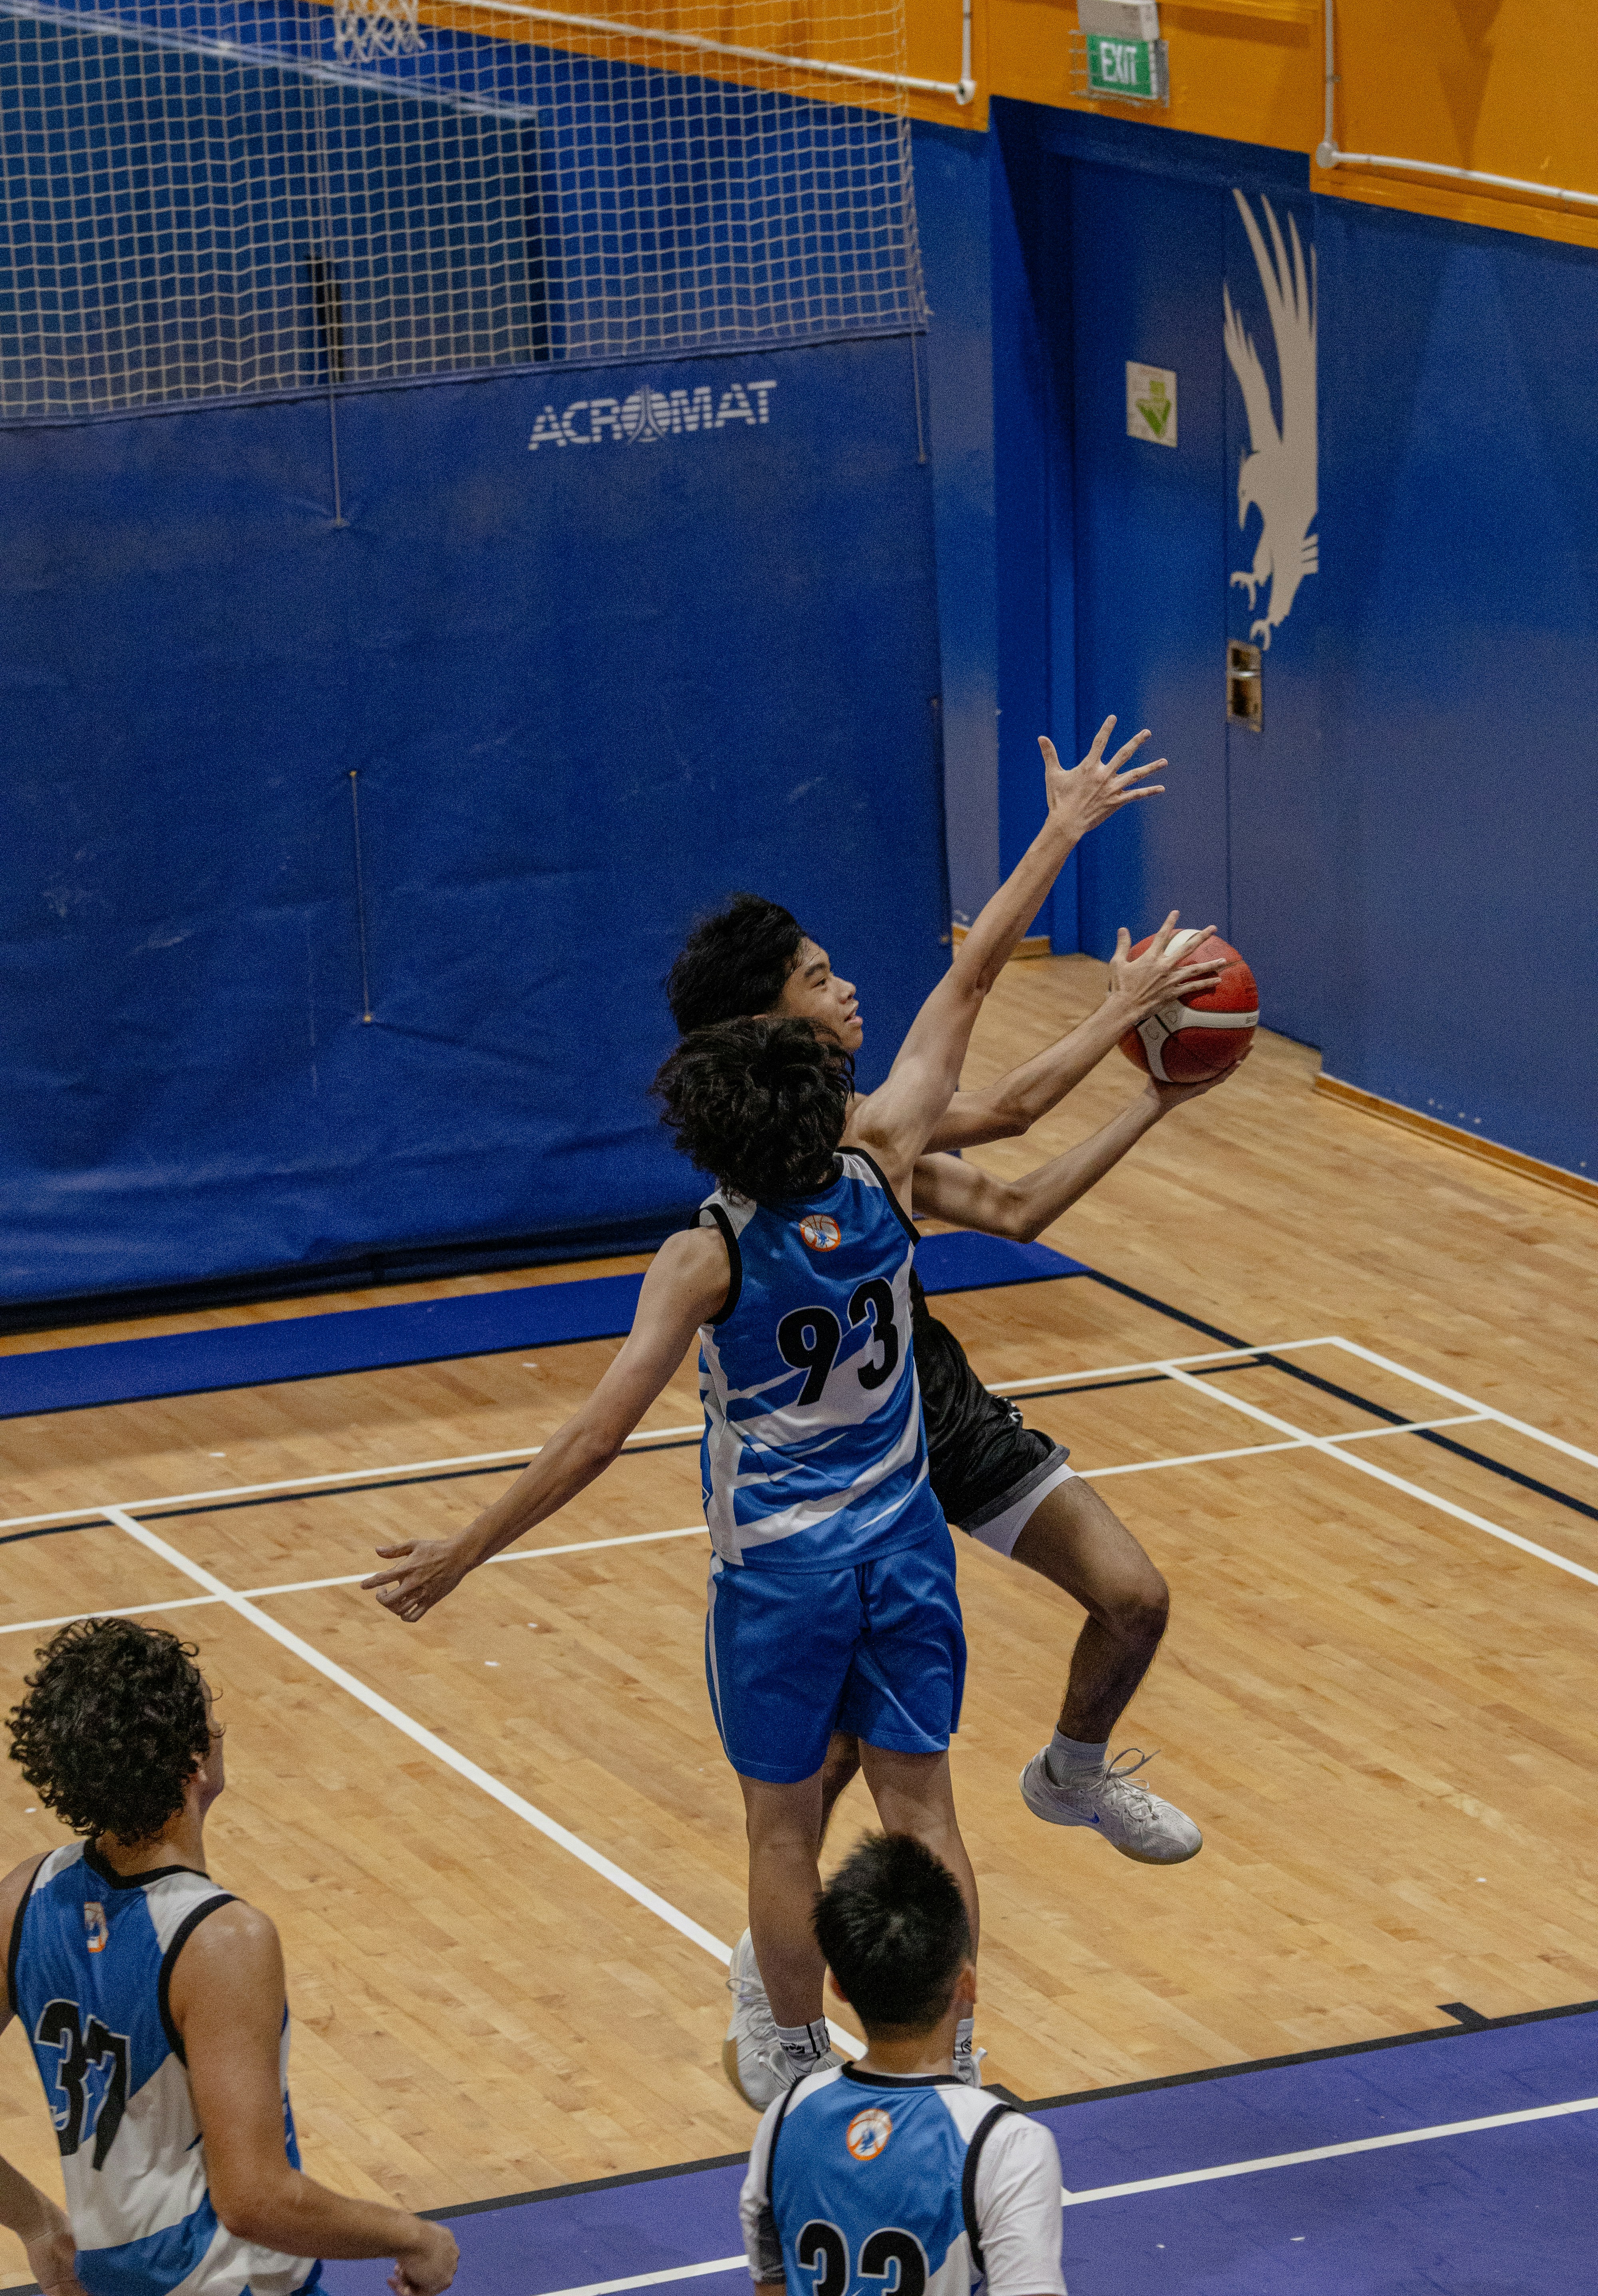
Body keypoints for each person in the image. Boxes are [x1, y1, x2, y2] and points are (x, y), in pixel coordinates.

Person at [364, 734, 1149, 2109]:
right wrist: (1062, 830)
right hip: (902, 1539)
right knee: (923, 1808)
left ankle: (791, 2064)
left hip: (779, 1568)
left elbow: (596, 1440)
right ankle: (953, 2057)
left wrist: (467, 1550)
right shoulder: (885, 1159)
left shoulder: (704, 1257)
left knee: (786, 1825)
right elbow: (974, 979)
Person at [664, 722, 1228, 1882]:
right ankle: (766, 1954)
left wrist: (1156, 1102)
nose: (850, 981)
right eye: (819, 978)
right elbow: (1004, 1071)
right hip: (839, 1469)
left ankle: (1071, 1770)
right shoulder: (823, 1144)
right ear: (768, 1024)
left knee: (1132, 1596)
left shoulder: (866, 1120)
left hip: (934, 1403)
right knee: (831, 1769)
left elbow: (1015, 1204)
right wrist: (1075, 864)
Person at [0, 1619, 459, 2296]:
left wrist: (35, 2223)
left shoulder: (25, 1896)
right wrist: (417, 2236)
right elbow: (256, 2200)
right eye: (212, 1723)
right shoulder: (221, 1940)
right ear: (193, 1763)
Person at [739, 1833, 1065, 2296]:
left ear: (839, 1988)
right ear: (967, 1983)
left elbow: (771, 2286)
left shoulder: (783, 2121)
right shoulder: (1005, 2144)